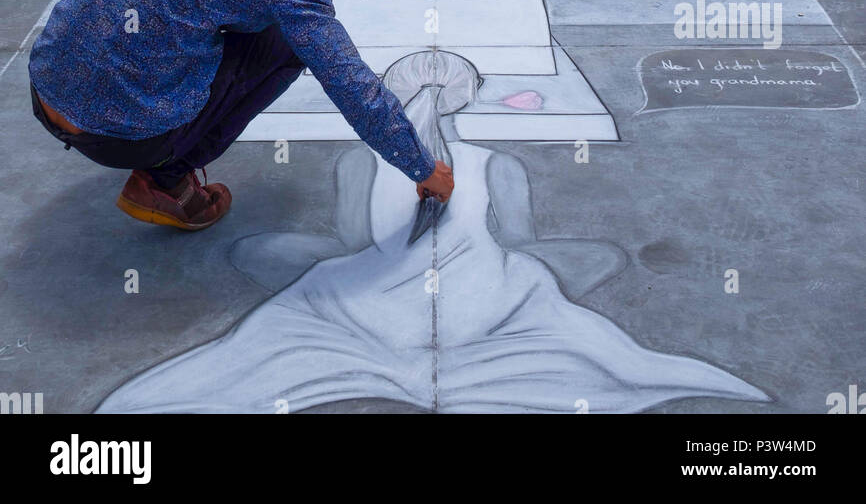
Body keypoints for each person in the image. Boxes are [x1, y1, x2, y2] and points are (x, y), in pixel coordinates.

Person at [96, 49, 768, 415]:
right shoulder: (497, 163)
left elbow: (352, 240)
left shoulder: (363, 156)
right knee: (550, 302)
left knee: (294, 305)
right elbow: (524, 243)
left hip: (358, 303)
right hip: (499, 292)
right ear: (469, 97)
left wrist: (275, 256)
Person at [28, 0, 453, 232]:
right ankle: (166, 180)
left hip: (44, 87)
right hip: (121, 138)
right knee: (287, 40)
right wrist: (418, 163)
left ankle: (149, 140)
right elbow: (345, 77)